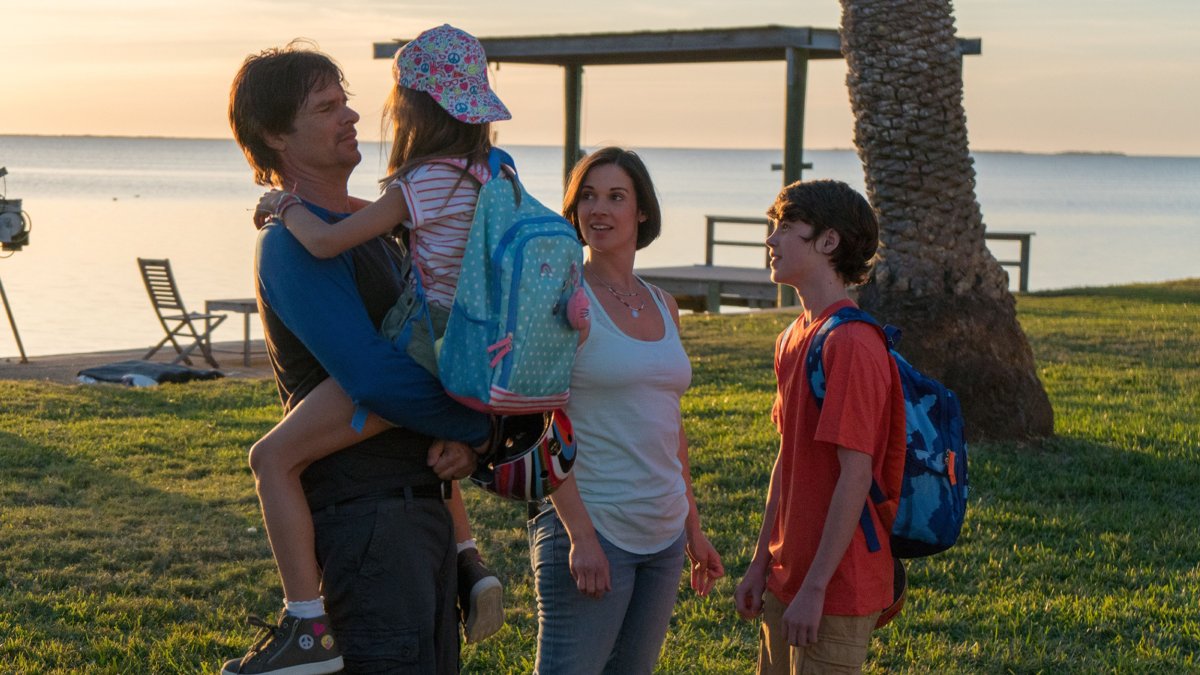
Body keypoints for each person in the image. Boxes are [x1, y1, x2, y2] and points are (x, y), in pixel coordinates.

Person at [225, 38, 496, 674]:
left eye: (346, 102)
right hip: (368, 524)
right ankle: (305, 628)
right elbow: (373, 376)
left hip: (419, 516)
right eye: (325, 108)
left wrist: (476, 445)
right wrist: (480, 428)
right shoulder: (293, 245)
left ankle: (469, 558)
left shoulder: (380, 226)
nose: (350, 116)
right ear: (274, 136)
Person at [527, 147, 725, 675]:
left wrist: (693, 528)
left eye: (616, 196)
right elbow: (540, 423)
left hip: (662, 533)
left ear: (642, 212)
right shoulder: (563, 299)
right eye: (587, 196)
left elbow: (669, 426)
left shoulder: (664, 304)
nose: (600, 210)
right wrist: (580, 535)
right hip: (596, 527)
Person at [733, 179, 905, 674]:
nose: (771, 240)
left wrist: (815, 588)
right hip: (788, 581)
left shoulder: (851, 344)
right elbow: (787, 462)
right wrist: (761, 562)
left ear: (828, 242)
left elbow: (856, 474)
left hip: (836, 587)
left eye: (786, 227)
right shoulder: (792, 337)